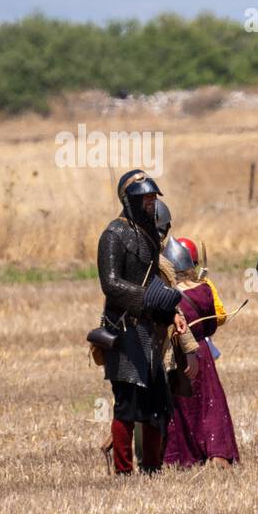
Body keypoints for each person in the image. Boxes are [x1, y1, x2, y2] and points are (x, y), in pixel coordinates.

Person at [96, 171, 197, 474]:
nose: (152, 204)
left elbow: (153, 281)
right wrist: (148, 298)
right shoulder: (113, 234)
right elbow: (111, 284)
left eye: (154, 198)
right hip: (124, 328)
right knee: (127, 406)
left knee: (157, 405)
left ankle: (152, 469)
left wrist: (170, 314)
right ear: (130, 200)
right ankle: (125, 472)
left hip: (148, 331)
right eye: (146, 199)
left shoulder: (149, 235)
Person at [163, 237, 240, 468]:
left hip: (179, 355)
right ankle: (217, 452)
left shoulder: (166, 295)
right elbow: (212, 326)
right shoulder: (204, 289)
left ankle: (188, 455)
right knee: (210, 403)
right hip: (203, 352)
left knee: (184, 407)